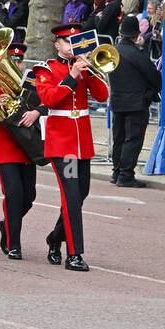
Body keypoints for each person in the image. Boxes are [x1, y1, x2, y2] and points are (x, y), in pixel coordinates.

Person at [34, 25, 110, 272]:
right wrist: (72, 76)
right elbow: (49, 99)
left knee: (81, 194)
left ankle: (55, 239)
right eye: (66, 42)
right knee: (72, 196)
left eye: (73, 42)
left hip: (82, 143)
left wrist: (90, 71)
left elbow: (102, 95)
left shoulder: (84, 67)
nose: (70, 46)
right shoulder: (46, 69)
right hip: (62, 144)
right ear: (57, 44)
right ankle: (74, 254)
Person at [0, 40, 42, 260]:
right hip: (6, 149)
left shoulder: (31, 83)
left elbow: (45, 103)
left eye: (20, 60)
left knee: (29, 197)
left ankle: (7, 225)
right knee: (13, 195)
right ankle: (14, 244)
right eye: (13, 60)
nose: (17, 64)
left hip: (28, 148)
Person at [107, 16, 161, 188]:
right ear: (136, 34)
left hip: (117, 100)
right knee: (133, 139)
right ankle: (126, 174)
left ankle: (116, 172)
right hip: (136, 102)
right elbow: (154, 77)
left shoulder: (112, 52)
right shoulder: (137, 54)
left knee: (119, 137)